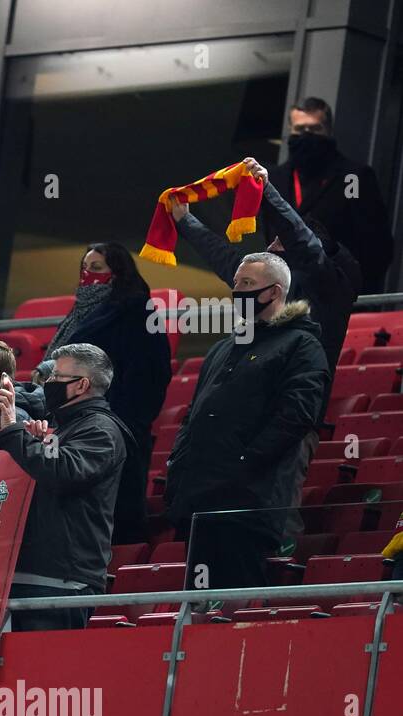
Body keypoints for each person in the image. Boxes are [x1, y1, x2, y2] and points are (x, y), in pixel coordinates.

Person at [165, 252, 330, 595]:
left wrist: (244, 463)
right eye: (236, 283)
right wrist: (179, 463)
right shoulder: (223, 348)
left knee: (234, 605)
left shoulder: (302, 345)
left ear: (274, 291)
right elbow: (194, 414)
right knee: (196, 609)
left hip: (247, 503)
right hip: (199, 500)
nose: (237, 290)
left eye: (248, 284)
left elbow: (297, 414)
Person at [172, 156, 361, 379]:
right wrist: (185, 220)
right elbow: (225, 258)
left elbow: (298, 235)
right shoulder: (266, 280)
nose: (271, 246)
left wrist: (265, 189)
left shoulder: (327, 286)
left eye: (280, 241)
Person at [0, 343, 131, 631]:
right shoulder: (65, 427)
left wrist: (12, 431)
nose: (49, 383)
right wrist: (31, 441)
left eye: (56, 377)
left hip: (62, 581)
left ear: (82, 385)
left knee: (41, 675)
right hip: (31, 577)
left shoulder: (101, 430)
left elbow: (62, 471)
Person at [44, 243, 169, 544]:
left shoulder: (137, 311)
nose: (88, 276)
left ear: (118, 273)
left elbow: (150, 374)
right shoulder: (79, 314)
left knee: (111, 522)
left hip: (111, 427)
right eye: (85, 269)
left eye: (97, 268)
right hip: (69, 425)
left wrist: (121, 422)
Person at [267, 97, 394, 293]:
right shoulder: (274, 179)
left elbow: (375, 245)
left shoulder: (353, 177)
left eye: (315, 129)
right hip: (285, 293)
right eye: (300, 130)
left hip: (336, 292)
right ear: (290, 131)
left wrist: (352, 290)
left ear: (328, 131)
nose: (306, 136)